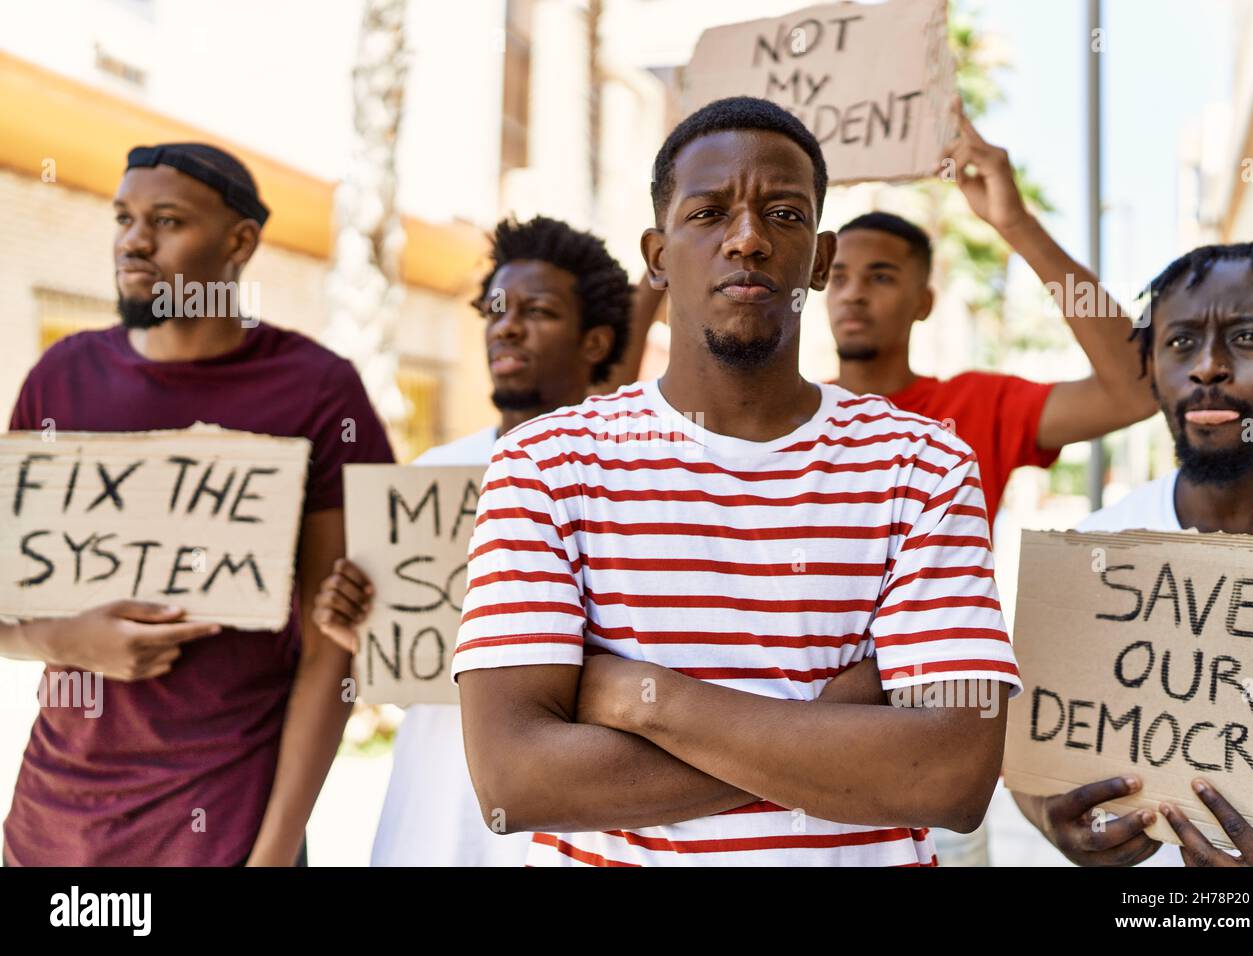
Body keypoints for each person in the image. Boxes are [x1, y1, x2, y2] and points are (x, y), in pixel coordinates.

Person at [448, 96, 1021, 867]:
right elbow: (515, 780)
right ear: (656, 256)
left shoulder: (923, 464)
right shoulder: (545, 464)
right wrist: (831, 723)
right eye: (710, 213)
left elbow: (950, 776)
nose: (747, 239)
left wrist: (646, 699)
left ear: (818, 260)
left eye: (783, 215)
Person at [0, 143, 394, 866]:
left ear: (240, 241)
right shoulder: (61, 377)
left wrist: (273, 853)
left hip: (225, 834)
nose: (134, 240)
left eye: (167, 220)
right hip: (50, 832)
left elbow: (332, 648)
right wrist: (62, 642)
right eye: (124, 217)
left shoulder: (316, 390)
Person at [313, 215, 637, 865]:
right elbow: (415, 685)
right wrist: (364, 635)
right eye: (496, 309)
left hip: (566, 829)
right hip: (433, 824)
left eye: (538, 311)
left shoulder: (633, 484)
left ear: (595, 340)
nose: (506, 326)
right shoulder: (435, 474)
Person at [1011, 241, 1253, 867]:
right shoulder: (1095, 552)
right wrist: (1053, 821)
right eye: (1180, 343)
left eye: (1249, 339)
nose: (1208, 368)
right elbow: (1031, 757)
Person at [827, 101, 1157, 522]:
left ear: (924, 304)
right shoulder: (788, 413)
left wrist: (1016, 224)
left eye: (881, 277)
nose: (853, 294)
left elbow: (1135, 391)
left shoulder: (979, 406)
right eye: (838, 278)